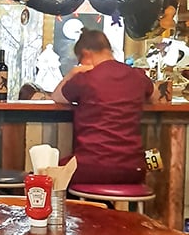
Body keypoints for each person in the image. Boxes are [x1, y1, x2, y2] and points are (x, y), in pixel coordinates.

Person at [51, 29, 156, 185]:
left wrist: (73, 72)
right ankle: (105, 209)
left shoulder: (85, 79)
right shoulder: (137, 75)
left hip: (92, 167)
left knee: (48, 173)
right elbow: (155, 97)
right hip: (134, 170)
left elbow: (57, 97)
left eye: (80, 60)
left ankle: (84, 209)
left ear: (86, 54)